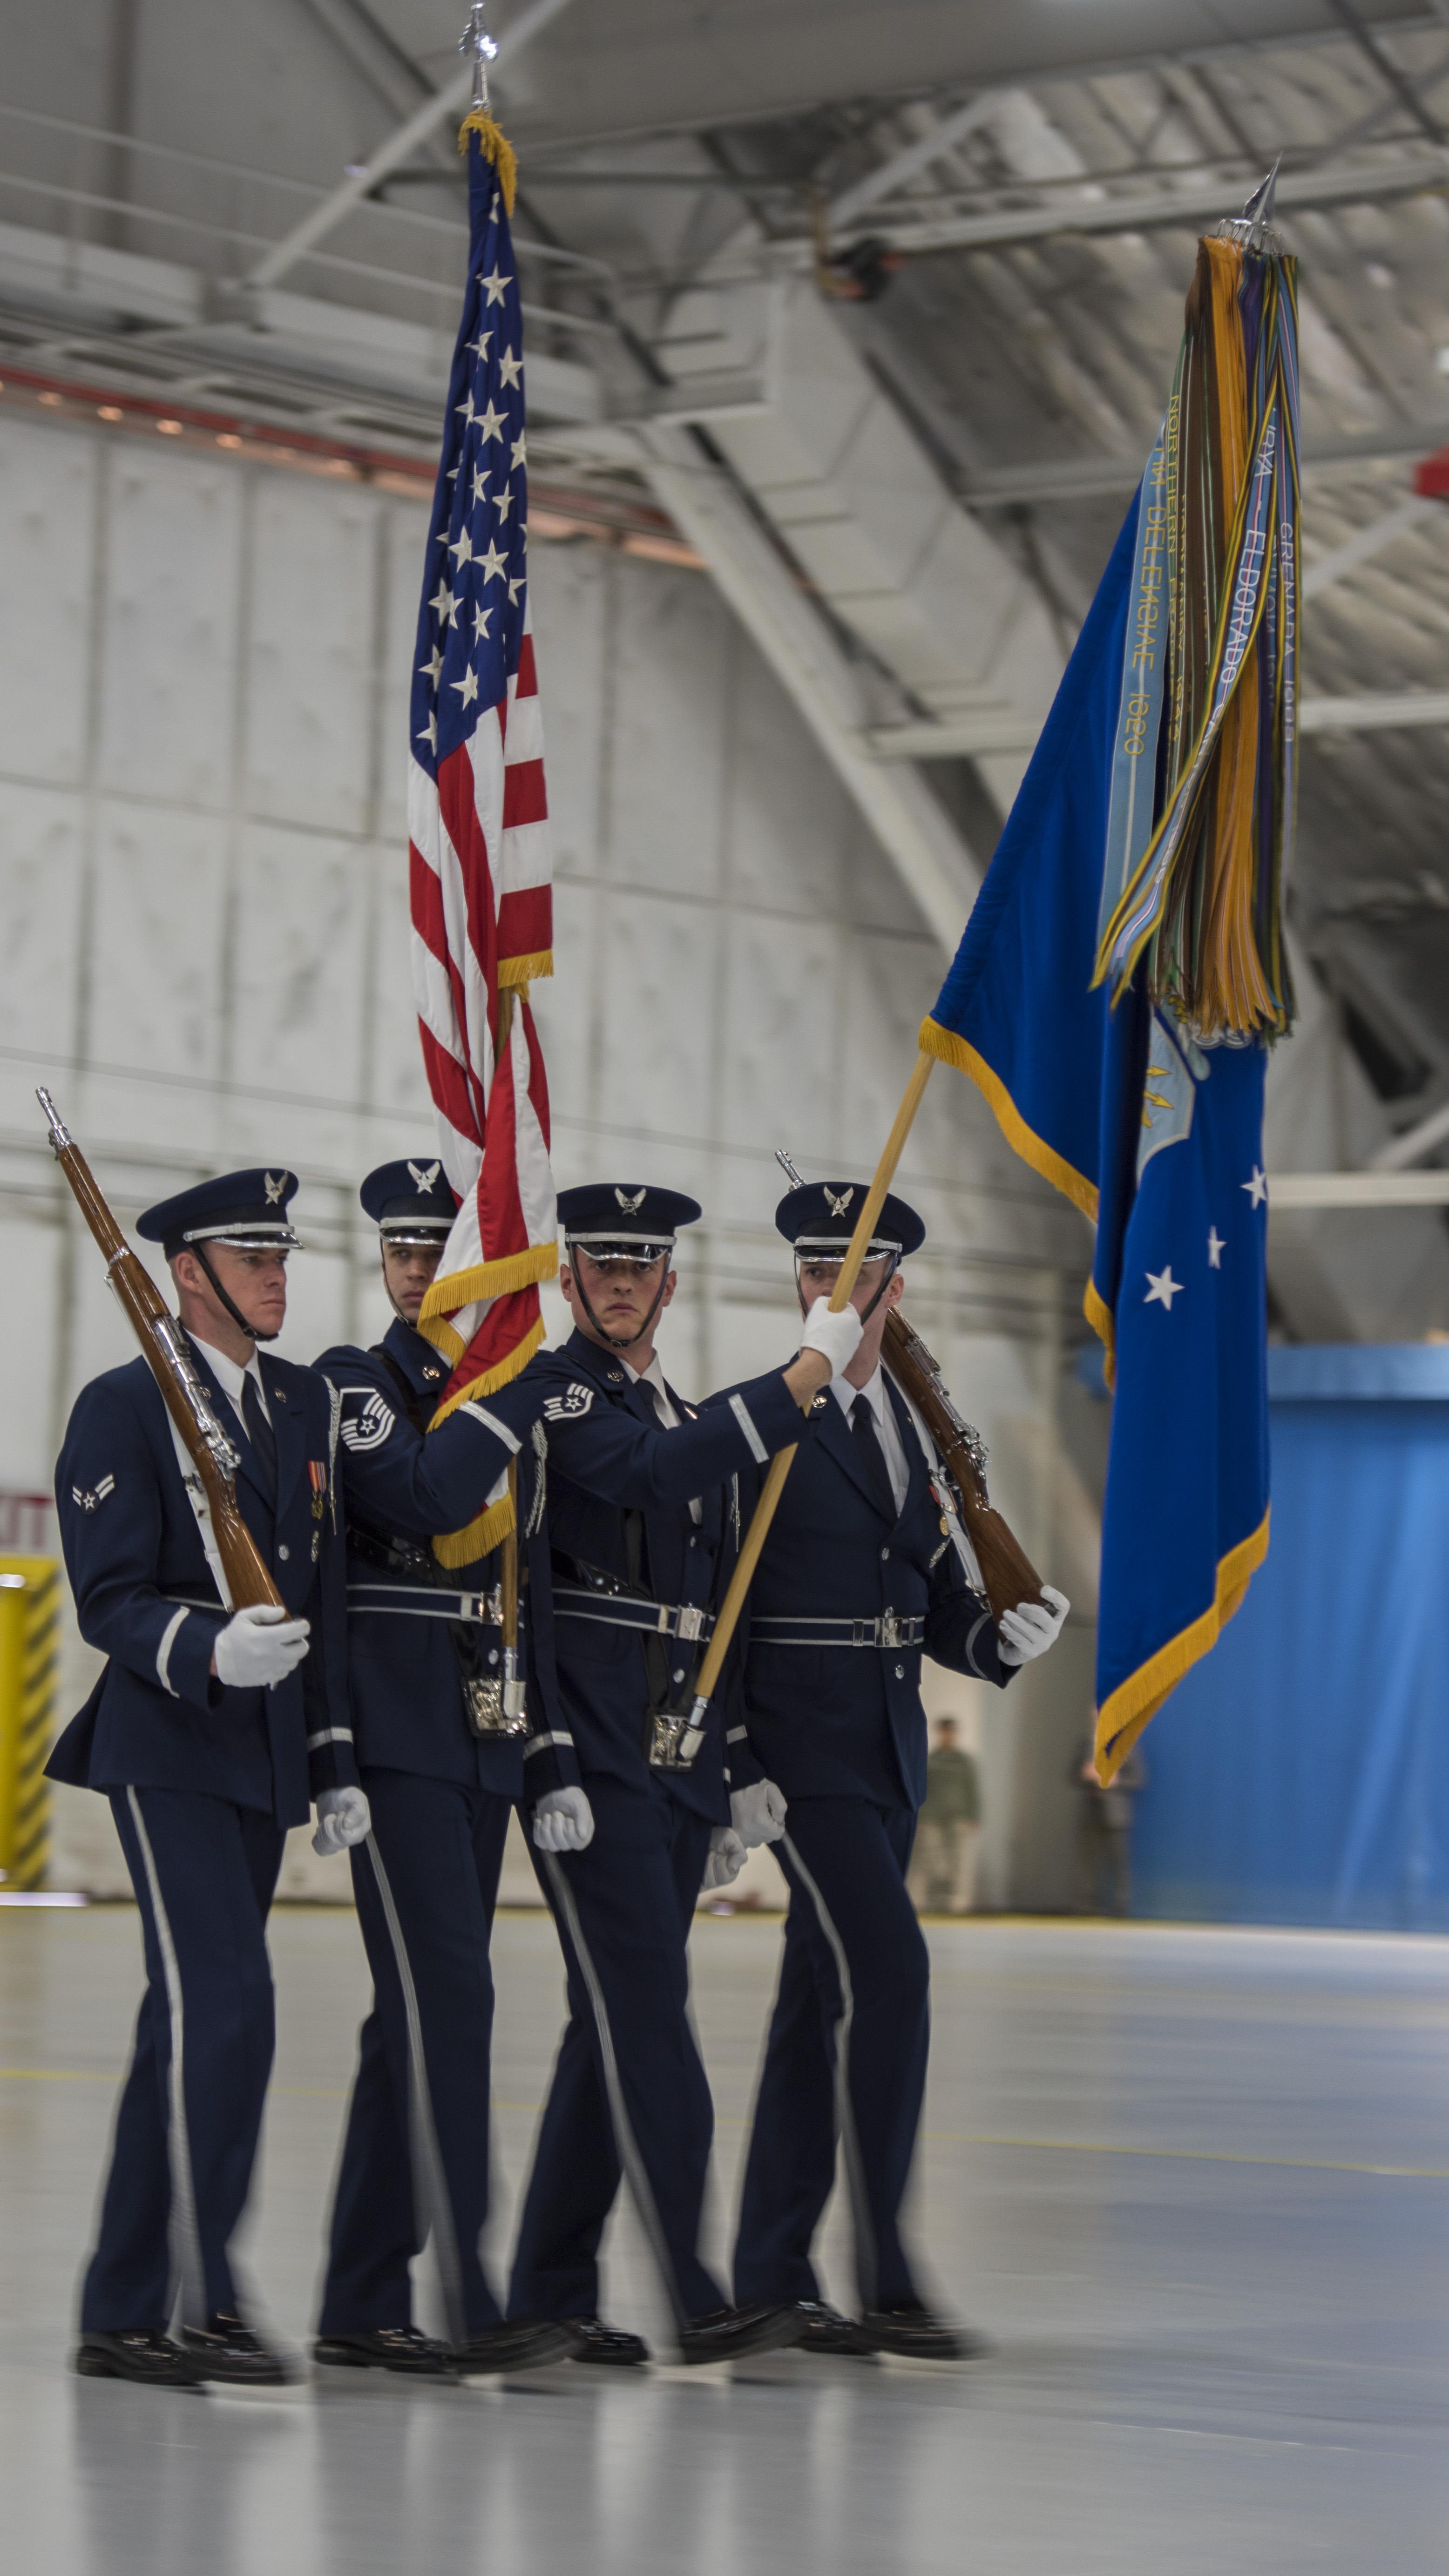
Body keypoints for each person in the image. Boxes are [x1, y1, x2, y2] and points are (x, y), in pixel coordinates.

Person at [505, 1181, 862, 2366]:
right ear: (569, 1280)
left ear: (671, 1282)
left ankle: (546, 2291)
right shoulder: (560, 1396)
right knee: (649, 2015)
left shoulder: (690, 1412)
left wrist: (731, 1765)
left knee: (606, 2023)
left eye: (640, 1266)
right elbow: (649, 1477)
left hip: (670, 1759)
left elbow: (715, 1606)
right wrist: (801, 1377)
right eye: (600, 1265)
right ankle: (698, 2293)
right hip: (590, 1753)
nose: (620, 1283)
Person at [728, 1180, 1070, 2360]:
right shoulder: (765, 1418)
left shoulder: (912, 1428)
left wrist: (996, 1640)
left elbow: (926, 1600)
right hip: (800, 1757)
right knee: (891, 1973)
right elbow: (720, 1603)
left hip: (885, 1751)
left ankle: (769, 2275)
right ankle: (885, 2276)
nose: (832, 1287)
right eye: (814, 1269)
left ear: (893, 1287)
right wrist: (733, 1756)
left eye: (858, 1270)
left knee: (814, 2002)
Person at [47, 1168, 366, 2390]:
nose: (276, 1275)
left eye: (281, 1255)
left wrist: (331, 1755)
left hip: (263, 1754)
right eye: (250, 1257)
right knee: (226, 2007)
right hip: (169, 1742)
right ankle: (198, 2300)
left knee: (188, 2020)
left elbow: (320, 1588)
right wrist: (208, 1645)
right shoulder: (124, 1403)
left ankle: (133, 2307)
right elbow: (109, 1597)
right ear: (188, 1272)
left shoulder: (299, 1401)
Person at [311, 1159, 584, 2380]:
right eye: (405, 1249)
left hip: (482, 1727)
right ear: (382, 1260)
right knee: (452, 1999)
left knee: (411, 2020)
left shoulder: (502, 1387)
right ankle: (473, 2294)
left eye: (443, 1250)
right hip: (393, 1729)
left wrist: (548, 1745)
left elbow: (528, 1574)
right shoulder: (353, 1383)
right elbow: (426, 1498)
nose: (423, 1270)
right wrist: (510, 1393)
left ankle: (360, 2300)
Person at [909, 1717, 981, 1915]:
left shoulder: (964, 1761)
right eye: (944, 1731)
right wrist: (919, 1816)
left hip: (958, 1818)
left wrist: (974, 1816)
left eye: (951, 1731)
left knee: (958, 1861)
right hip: (931, 1818)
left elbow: (973, 1790)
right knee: (925, 1860)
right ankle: (918, 1900)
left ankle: (959, 1903)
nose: (947, 1735)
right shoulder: (931, 1759)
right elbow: (921, 1788)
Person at [1074, 1732, 1146, 1916]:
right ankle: (1087, 1906)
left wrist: (1116, 1780)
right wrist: (1084, 1775)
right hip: (1091, 1809)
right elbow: (1072, 1775)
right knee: (1088, 1859)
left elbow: (1138, 1779)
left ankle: (1120, 1907)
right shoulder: (1085, 1745)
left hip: (1116, 1813)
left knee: (1118, 1861)